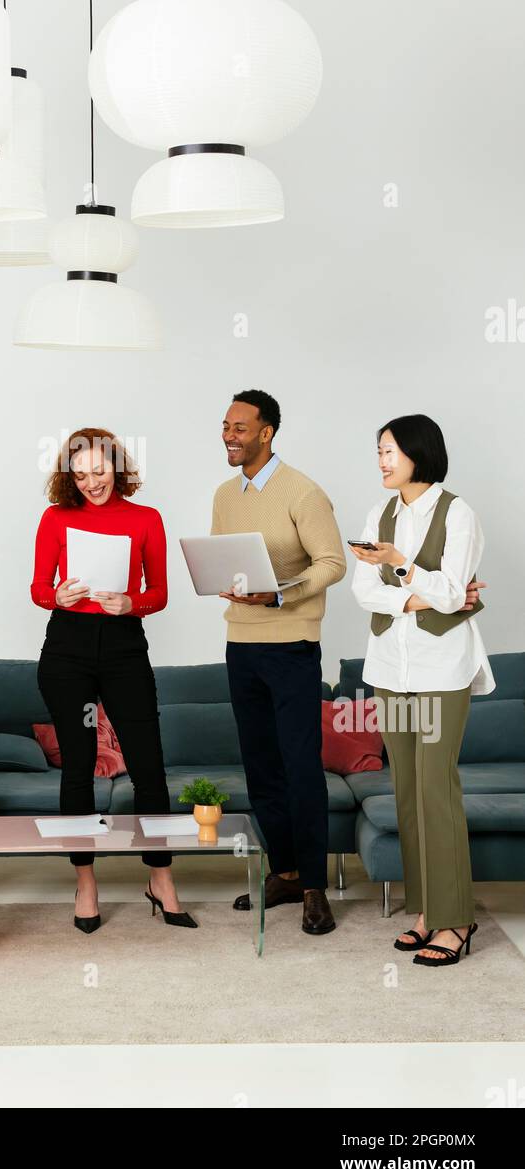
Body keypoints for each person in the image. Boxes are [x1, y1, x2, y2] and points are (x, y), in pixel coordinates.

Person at [31, 427, 196, 932]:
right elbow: (39, 587)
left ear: (117, 466)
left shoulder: (146, 519)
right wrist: (56, 596)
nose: (90, 483)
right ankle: (85, 881)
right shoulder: (56, 517)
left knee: (149, 764)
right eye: (79, 476)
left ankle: (161, 878)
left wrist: (131, 603)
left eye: (98, 472)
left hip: (124, 646)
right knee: (77, 766)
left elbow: (160, 592)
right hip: (67, 648)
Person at [350, 414, 492, 966]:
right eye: (378, 451)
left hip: (440, 671)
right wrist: (416, 595)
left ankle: (457, 921)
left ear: (417, 452)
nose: (381, 460)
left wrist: (401, 567)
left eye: (389, 451)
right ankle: (427, 910)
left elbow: (456, 593)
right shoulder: (378, 512)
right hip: (390, 669)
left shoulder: (458, 512)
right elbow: (365, 591)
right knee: (406, 790)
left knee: (436, 787)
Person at [213, 390, 346, 935]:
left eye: (240, 428)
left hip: (291, 644)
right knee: (261, 766)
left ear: (266, 432)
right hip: (240, 644)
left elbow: (332, 562)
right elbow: (226, 557)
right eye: (225, 426)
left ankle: (315, 885)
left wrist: (280, 595)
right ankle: (286, 871)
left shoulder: (303, 491)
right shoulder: (225, 494)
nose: (229, 435)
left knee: (299, 766)